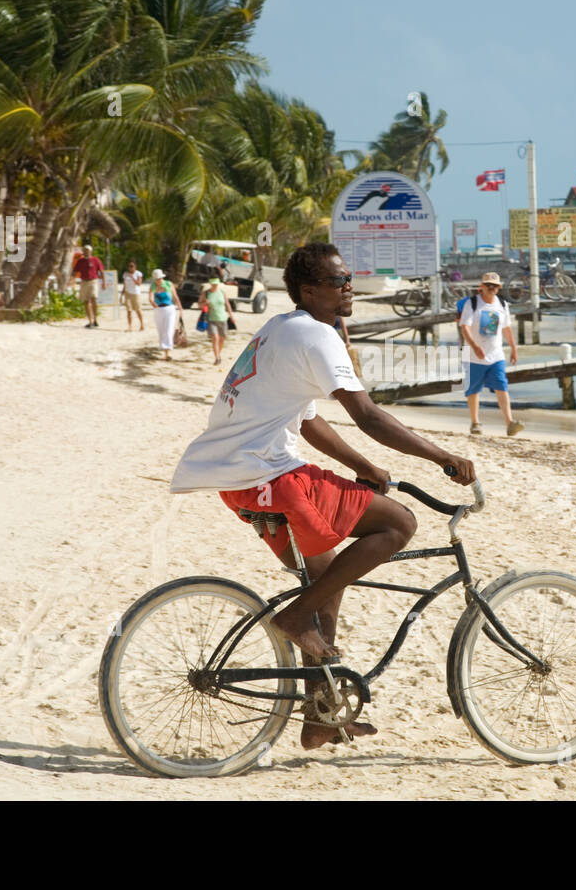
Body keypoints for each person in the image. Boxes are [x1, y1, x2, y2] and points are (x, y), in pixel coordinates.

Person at [171, 242, 476, 749]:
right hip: (272, 477)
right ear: (310, 291)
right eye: (339, 282)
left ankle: (319, 715)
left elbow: (306, 418)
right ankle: (292, 619)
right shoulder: (317, 336)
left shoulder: (279, 329)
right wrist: (444, 457)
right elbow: (370, 416)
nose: (348, 287)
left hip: (242, 480)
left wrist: (363, 467)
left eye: (350, 279)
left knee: (329, 578)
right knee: (398, 524)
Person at [458, 272, 522, 436]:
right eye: (488, 285)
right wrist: (474, 346)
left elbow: (506, 328)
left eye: (495, 286)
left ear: (499, 288)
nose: (491, 288)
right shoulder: (472, 304)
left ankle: (510, 423)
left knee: (502, 387)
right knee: (473, 390)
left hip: (496, 355)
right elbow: (464, 327)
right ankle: (475, 423)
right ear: (481, 287)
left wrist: (514, 348)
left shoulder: (502, 304)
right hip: (474, 356)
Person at [72, 246, 106, 327]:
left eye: (87, 250)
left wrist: (103, 283)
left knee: (94, 299)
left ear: (91, 251)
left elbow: (101, 272)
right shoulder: (80, 261)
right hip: (84, 281)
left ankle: (95, 319)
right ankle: (90, 321)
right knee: (86, 301)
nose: (86, 252)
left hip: (93, 281)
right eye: (84, 250)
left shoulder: (95, 260)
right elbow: (75, 271)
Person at [149, 269, 179, 360]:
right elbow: (150, 298)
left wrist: (180, 307)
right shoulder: (153, 286)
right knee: (161, 331)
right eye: (157, 279)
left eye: (160, 278)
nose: (159, 280)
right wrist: (153, 303)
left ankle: (167, 353)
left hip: (169, 308)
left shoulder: (169, 284)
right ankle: (164, 350)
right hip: (159, 310)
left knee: (169, 330)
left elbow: (175, 296)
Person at [202, 276, 232, 365]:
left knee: (222, 339)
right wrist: (204, 303)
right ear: (210, 284)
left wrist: (231, 315)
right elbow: (199, 305)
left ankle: (218, 353)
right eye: (213, 284)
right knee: (215, 338)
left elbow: (227, 304)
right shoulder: (206, 293)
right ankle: (217, 358)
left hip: (223, 319)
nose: (215, 285)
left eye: (216, 284)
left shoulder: (222, 292)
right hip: (211, 319)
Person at [122, 260, 144, 331]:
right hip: (128, 294)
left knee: (138, 310)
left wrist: (133, 278)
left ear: (135, 267)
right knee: (129, 311)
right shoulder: (125, 274)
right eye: (129, 266)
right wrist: (122, 294)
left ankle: (142, 324)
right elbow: (124, 285)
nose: (130, 268)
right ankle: (130, 326)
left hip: (136, 294)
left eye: (132, 266)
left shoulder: (138, 273)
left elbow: (139, 283)